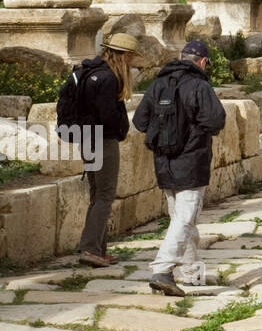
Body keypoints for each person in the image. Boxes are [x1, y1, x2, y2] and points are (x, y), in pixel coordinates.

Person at [132, 40, 228, 296]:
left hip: (163, 163)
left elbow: (140, 121)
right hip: (192, 162)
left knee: (184, 220)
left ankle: (193, 275)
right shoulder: (199, 86)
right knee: (185, 219)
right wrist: (194, 132)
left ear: (180, 56)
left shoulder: (157, 84)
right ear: (203, 62)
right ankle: (162, 269)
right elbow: (217, 119)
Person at [76, 32, 141, 267]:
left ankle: (98, 249)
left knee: (97, 195)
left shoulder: (92, 73)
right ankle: (91, 249)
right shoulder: (109, 78)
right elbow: (107, 115)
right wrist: (121, 130)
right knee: (104, 195)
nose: (133, 61)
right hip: (102, 141)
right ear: (124, 55)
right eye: (132, 56)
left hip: (86, 138)